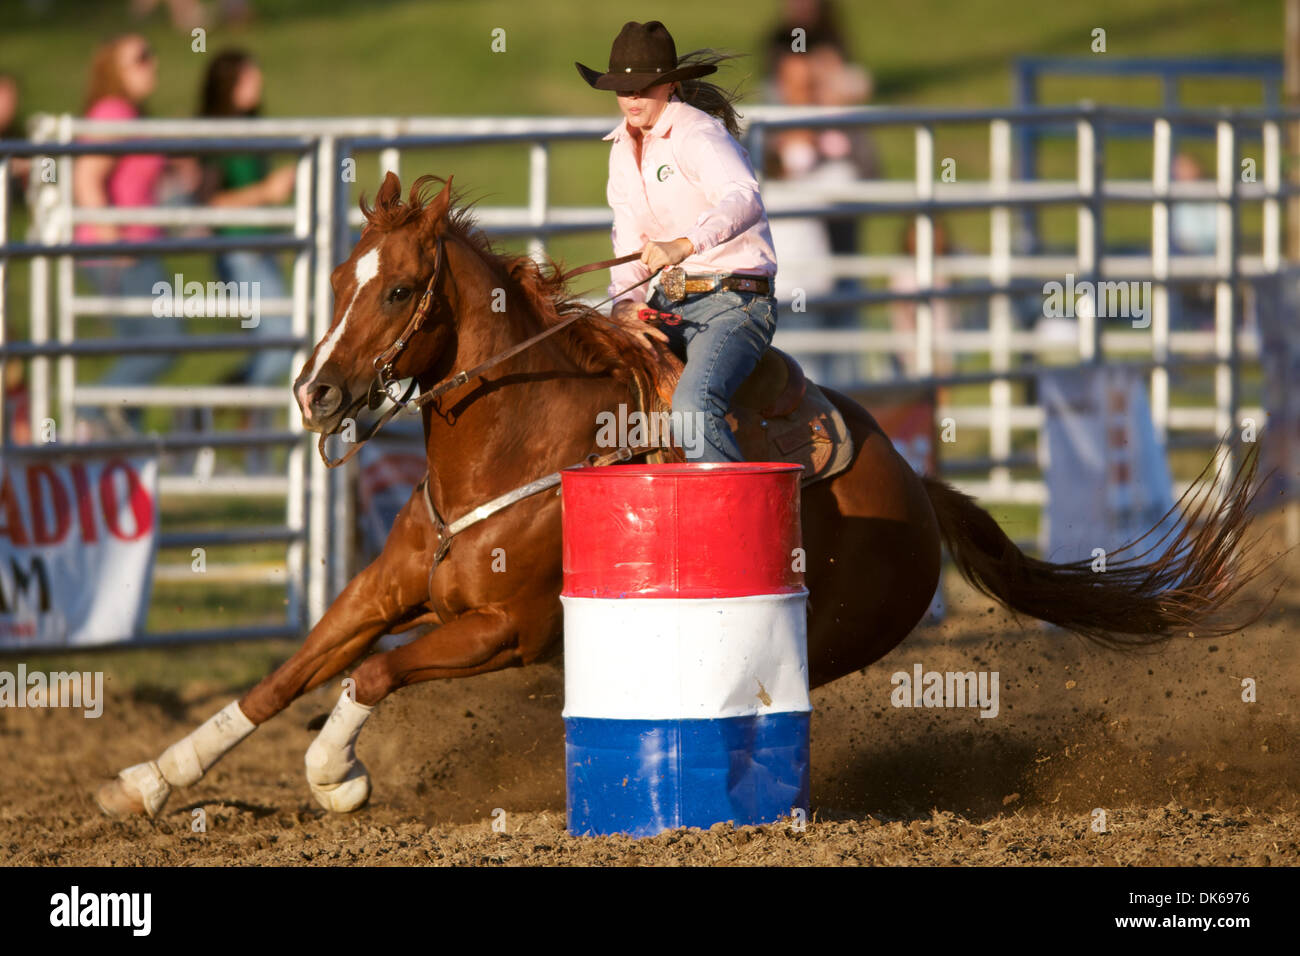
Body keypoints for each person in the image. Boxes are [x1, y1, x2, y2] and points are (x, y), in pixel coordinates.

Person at [577, 20, 779, 463]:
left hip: (735, 302)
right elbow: (627, 237)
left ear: (668, 86)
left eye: (642, 87)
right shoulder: (621, 152)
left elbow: (743, 195)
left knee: (692, 406)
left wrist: (685, 245)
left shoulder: (697, 133)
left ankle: (727, 524)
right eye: (621, 88)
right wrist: (624, 306)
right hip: (667, 305)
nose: (630, 98)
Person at [73, 34, 186, 436]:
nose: (151, 63)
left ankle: (119, 437)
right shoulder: (113, 112)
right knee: (165, 340)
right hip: (122, 252)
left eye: (150, 54)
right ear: (114, 72)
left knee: (142, 347)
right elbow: (86, 176)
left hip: (132, 248)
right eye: (140, 58)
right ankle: (90, 405)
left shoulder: (129, 114)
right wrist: (112, 239)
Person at [198, 50, 296, 392]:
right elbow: (209, 203)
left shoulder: (250, 128)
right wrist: (267, 192)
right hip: (238, 251)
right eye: (249, 76)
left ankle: (234, 410)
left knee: (280, 342)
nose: (259, 81)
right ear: (229, 85)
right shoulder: (218, 135)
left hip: (258, 249)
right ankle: (223, 401)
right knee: (282, 343)